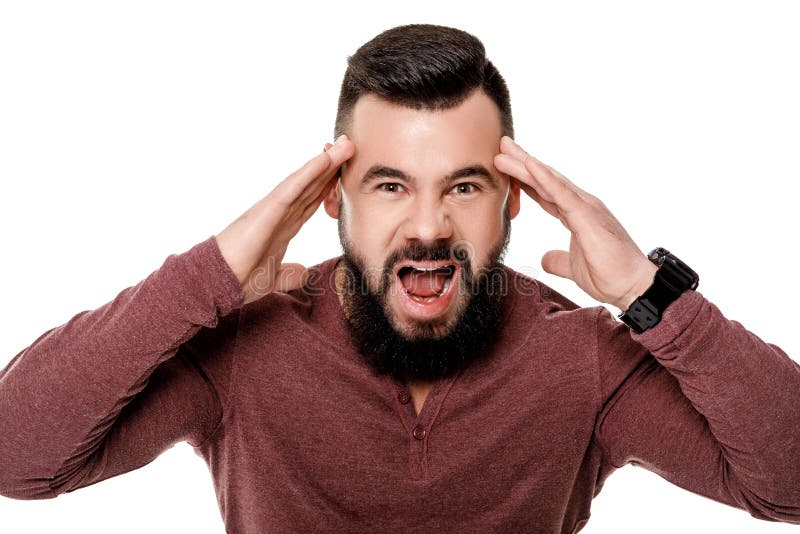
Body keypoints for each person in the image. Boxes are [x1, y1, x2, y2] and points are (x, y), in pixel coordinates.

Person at [1, 23, 798, 533]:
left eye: (463, 185)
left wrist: (646, 295)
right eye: (389, 186)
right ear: (332, 198)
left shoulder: (582, 357)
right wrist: (202, 281)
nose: (427, 227)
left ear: (511, 198)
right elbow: (17, 458)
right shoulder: (243, 341)